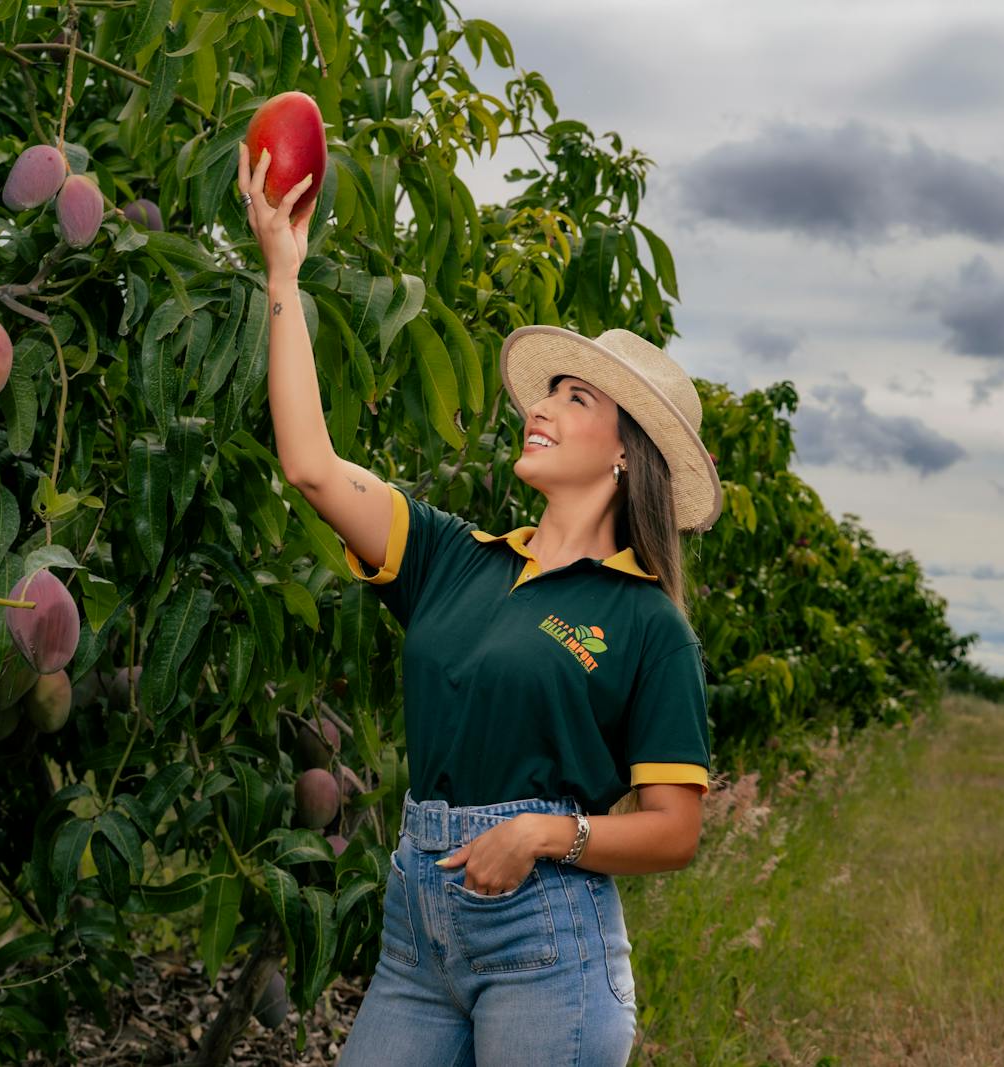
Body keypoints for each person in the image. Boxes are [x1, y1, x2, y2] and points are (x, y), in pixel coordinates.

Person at [237, 142, 725, 1065]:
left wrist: (549, 831)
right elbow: (308, 462)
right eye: (547, 390)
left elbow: (675, 829)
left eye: (574, 398)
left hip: (547, 938)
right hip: (417, 930)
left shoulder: (645, 621)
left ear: (627, 455)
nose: (540, 406)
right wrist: (281, 271)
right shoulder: (452, 557)